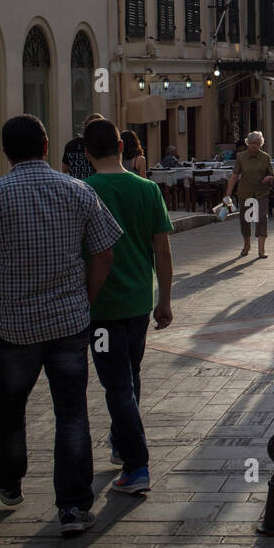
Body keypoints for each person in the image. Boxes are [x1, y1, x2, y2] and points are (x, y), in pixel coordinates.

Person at [0, 114, 121, 536]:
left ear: (5, 151)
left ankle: (8, 482)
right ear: (46, 145)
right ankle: (73, 507)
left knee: (10, 407)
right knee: (71, 412)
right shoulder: (76, 191)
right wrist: (86, 298)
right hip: (68, 323)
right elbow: (105, 253)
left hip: (12, 324)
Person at [84, 119, 173, 495]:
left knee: (115, 382)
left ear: (86, 153)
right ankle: (122, 445)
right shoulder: (148, 189)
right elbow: (162, 251)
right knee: (130, 375)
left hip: (101, 308)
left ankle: (137, 466)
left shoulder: (84, 191)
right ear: (122, 147)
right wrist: (164, 300)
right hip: (139, 302)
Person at [226, 131, 274, 258]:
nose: (254, 146)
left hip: (261, 192)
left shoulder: (265, 157)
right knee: (245, 219)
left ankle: (261, 249)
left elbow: (272, 174)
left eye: (257, 143)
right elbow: (234, 175)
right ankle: (246, 245)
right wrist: (228, 194)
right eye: (252, 143)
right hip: (245, 192)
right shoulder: (241, 157)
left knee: (261, 218)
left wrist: (268, 178)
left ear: (260, 144)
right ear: (247, 143)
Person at [61, 112, 105, 180]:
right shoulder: (100, 145)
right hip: (94, 184)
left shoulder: (71, 144)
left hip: (76, 184)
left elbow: (64, 168)